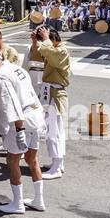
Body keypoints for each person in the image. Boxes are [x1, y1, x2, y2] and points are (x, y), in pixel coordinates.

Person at [0, 48, 46, 215]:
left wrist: (19, 130)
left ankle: (18, 203)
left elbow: (11, 104)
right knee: (32, 159)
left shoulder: (2, 76)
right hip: (36, 115)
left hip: (22, 120)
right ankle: (38, 200)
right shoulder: (17, 68)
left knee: (12, 160)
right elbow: (31, 93)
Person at [27, 25, 70, 179]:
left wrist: (45, 39)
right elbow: (37, 58)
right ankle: (58, 163)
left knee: (54, 132)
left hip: (56, 94)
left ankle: (57, 168)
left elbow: (50, 53)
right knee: (54, 130)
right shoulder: (52, 48)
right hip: (48, 93)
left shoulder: (62, 50)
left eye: (45, 40)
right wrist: (34, 42)